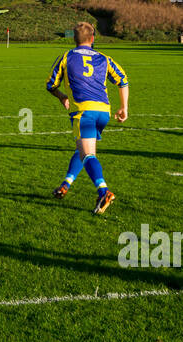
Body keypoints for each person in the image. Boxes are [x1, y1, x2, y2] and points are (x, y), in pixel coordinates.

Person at [47, 22, 129, 213]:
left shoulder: (67, 57)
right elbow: (123, 80)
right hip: (103, 112)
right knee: (82, 148)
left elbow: (50, 84)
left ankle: (104, 192)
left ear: (74, 39)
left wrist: (62, 97)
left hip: (83, 112)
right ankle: (65, 184)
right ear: (92, 39)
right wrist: (124, 107)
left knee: (88, 154)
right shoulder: (104, 58)